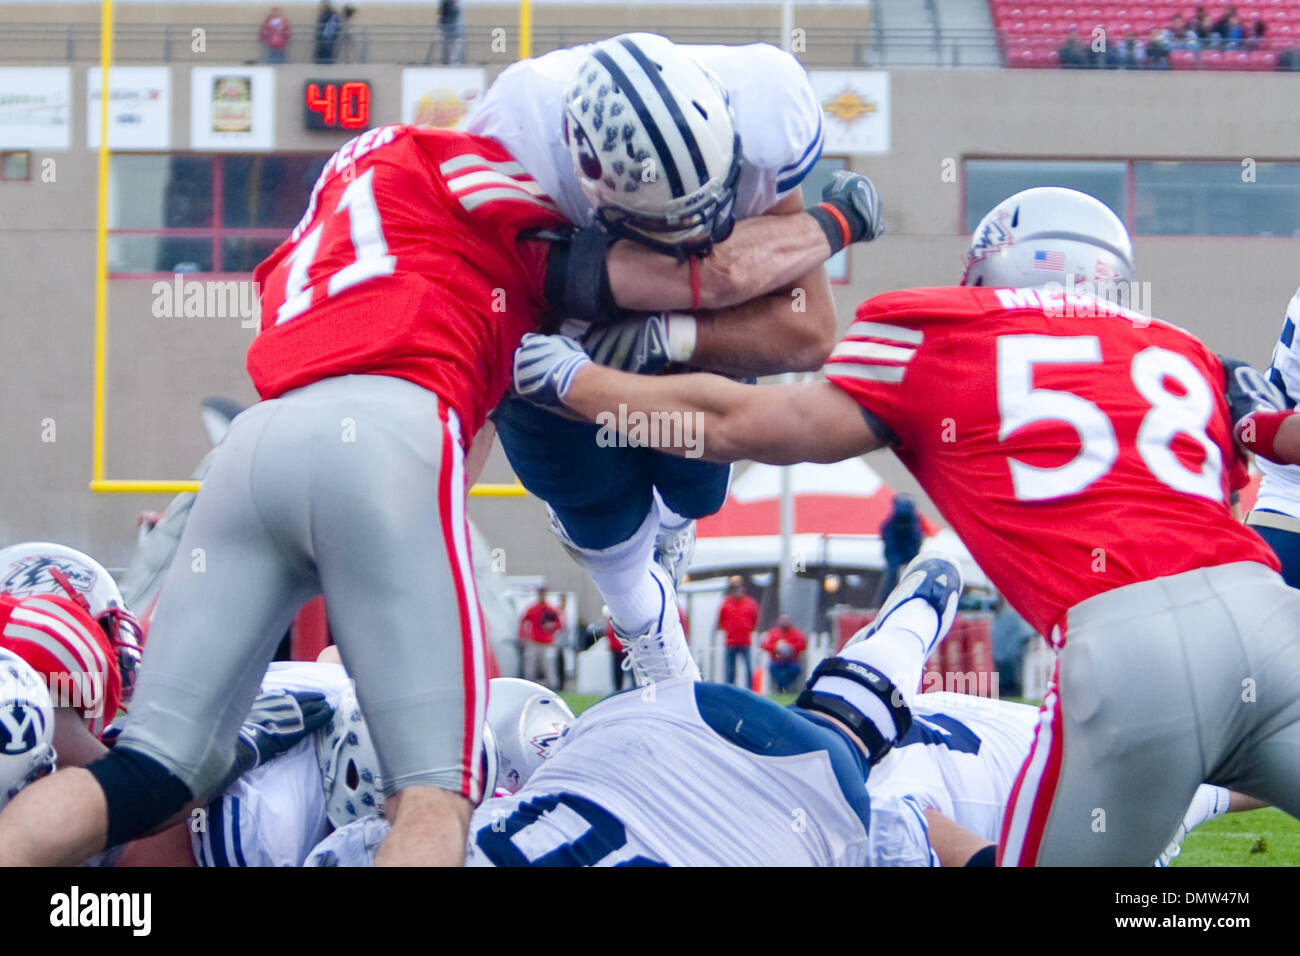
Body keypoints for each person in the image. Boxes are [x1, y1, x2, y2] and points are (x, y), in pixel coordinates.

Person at [0, 117, 872, 867]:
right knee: (431, 800)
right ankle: (648, 562)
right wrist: (833, 219)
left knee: (150, 771)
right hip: (386, 452)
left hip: (254, 448)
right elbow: (712, 285)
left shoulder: (308, 256)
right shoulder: (490, 212)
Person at [514, 184, 1300, 866]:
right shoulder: (1181, 350)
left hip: (1134, 646)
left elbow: (744, 423)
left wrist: (575, 383)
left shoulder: (946, 335)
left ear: (996, 262)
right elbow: (1268, 450)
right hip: (1272, 615)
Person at [469, 33, 882, 687]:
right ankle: (640, 615)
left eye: (711, 215)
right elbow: (478, 347)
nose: (695, 243)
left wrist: (660, 337)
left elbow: (807, 332)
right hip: (562, 326)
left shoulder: (765, 104)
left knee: (697, 482)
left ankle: (662, 529)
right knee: (582, 480)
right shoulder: (511, 146)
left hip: (682, 343)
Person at [877, 494, 923, 603]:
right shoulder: (914, 520)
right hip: (906, 556)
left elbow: (886, 535)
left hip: (895, 557)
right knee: (909, 580)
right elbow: (916, 539)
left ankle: (882, 603)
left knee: (890, 581)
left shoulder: (892, 521)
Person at [715, 577, 758, 687]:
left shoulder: (750, 603)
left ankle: (750, 690)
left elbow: (754, 619)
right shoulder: (726, 603)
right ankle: (730, 689)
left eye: (738, 588)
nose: (736, 591)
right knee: (730, 669)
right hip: (731, 641)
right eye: (734, 589)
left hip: (745, 641)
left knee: (748, 668)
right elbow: (720, 621)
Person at [518, 585, 563, 689]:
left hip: (547, 644)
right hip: (534, 642)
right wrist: (522, 635)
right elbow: (523, 621)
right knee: (530, 667)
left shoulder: (551, 609)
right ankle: (528, 686)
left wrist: (551, 627)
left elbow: (559, 625)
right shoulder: (532, 609)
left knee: (549, 667)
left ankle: (553, 687)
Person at [762, 613, 807, 694]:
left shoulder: (796, 633)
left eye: (786, 620)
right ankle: (782, 687)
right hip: (777, 660)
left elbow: (802, 645)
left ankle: (786, 687)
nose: (784, 622)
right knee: (773, 669)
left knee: (795, 669)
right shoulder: (773, 633)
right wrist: (776, 648)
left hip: (792, 660)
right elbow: (765, 645)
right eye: (782, 620)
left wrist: (791, 648)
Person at [439, 0, 465, 65]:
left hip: (457, 34)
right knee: (449, 52)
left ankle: (455, 63)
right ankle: (449, 64)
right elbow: (443, 19)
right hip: (449, 34)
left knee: (456, 51)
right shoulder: (448, 5)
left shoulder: (457, 6)